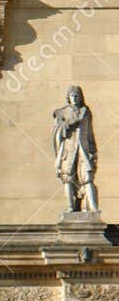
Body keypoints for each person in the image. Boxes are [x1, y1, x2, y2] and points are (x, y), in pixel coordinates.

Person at [53, 85, 99, 213]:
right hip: (68, 150)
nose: (74, 98)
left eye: (77, 95)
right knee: (67, 177)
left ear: (81, 97)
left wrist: (93, 149)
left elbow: (90, 133)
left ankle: (93, 207)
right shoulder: (62, 112)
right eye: (72, 95)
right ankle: (70, 206)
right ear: (68, 97)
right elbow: (57, 132)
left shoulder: (86, 111)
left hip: (84, 150)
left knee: (88, 177)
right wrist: (69, 123)